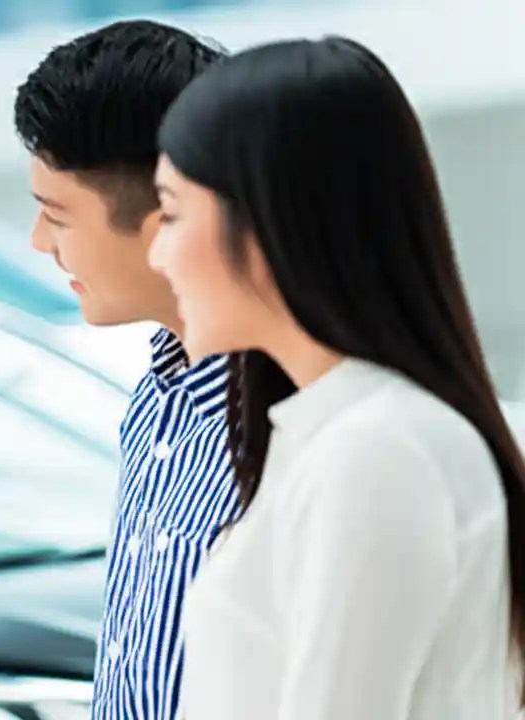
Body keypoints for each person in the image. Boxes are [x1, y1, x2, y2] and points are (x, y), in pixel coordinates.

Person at [150, 36, 525, 719]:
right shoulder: (334, 435)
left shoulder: (377, 451)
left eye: (172, 213)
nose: (158, 252)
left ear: (265, 219)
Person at [13, 20, 229, 720]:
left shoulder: (301, 425)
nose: (39, 242)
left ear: (164, 216)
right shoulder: (158, 398)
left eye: (57, 215)